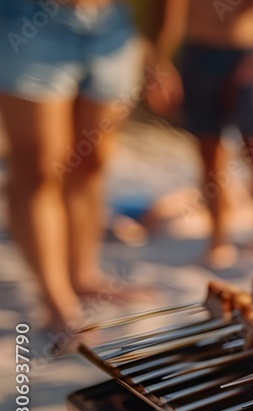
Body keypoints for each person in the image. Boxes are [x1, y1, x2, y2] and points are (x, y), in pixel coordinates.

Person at [0, 0, 142, 339]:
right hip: (28, 17)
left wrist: (159, 45)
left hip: (112, 23)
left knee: (92, 160)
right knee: (39, 168)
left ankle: (82, 273)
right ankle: (56, 298)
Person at [147, 0, 253, 273]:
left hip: (247, 54)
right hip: (198, 52)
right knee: (209, 152)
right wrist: (161, 61)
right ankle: (218, 242)